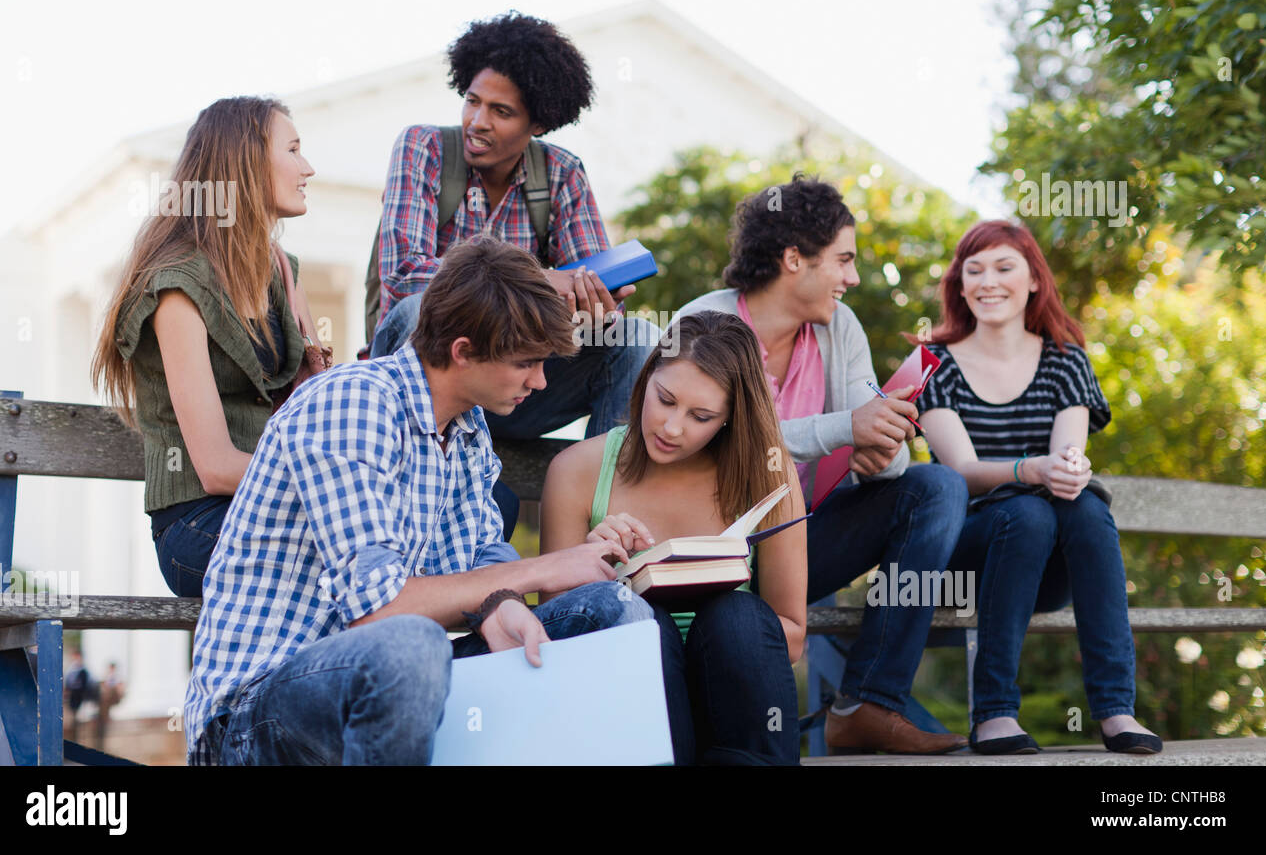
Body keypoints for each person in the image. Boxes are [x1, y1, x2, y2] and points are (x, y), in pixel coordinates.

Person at [184, 237, 651, 766]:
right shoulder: (354, 403)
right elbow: (378, 612)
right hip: (253, 719)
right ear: (463, 350)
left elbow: (480, 555)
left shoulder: (467, 425)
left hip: (386, 693)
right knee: (411, 645)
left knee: (607, 608)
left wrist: (504, 607)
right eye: (527, 363)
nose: (541, 382)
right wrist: (546, 569)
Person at [675, 176, 969, 754]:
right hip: (712, 552)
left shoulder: (841, 329)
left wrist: (881, 447)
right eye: (843, 260)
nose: (852, 278)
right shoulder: (703, 325)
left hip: (798, 546)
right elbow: (700, 445)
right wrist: (842, 430)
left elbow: (878, 452)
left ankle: (868, 703)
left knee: (935, 487)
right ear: (793, 259)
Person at [917, 220, 1162, 754]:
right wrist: (1028, 469)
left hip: (1045, 567)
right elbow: (959, 469)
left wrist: (1069, 468)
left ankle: (1116, 709)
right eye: (974, 271)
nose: (989, 281)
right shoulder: (934, 363)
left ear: (1033, 281)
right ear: (959, 286)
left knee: (1085, 507)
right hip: (966, 558)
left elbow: (1069, 459)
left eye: (1005, 268)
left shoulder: (1065, 359)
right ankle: (995, 713)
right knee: (1025, 514)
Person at [367, 12, 657, 446]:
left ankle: (605, 495)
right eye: (472, 101)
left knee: (634, 335)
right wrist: (538, 281)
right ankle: (419, 457)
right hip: (423, 375)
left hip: (520, 386)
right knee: (417, 306)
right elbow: (404, 273)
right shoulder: (423, 147)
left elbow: (586, 291)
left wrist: (594, 304)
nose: (477, 121)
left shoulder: (561, 174)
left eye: (501, 111)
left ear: (537, 124)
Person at [541, 311, 807, 765]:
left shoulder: (768, 472)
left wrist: (701, 657)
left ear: (729, 419)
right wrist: (593, 564)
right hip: (633, 700)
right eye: (664, 399)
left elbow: (793, 635)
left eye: (701, 416)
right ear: (646, 380)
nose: (671, 428)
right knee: (641, 620)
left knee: (737, 616)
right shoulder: (577, 469)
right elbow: (557, 628)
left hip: (731, 701)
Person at [92, 96, 321, 597]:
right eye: (294, 150)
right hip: (198, 526)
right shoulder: (179, 286)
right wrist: (331, 481)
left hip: (275, 509)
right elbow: (216, 468)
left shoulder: (283, 271)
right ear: (248, 162)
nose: (308, 168)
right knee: (351, 558)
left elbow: (314, 409)